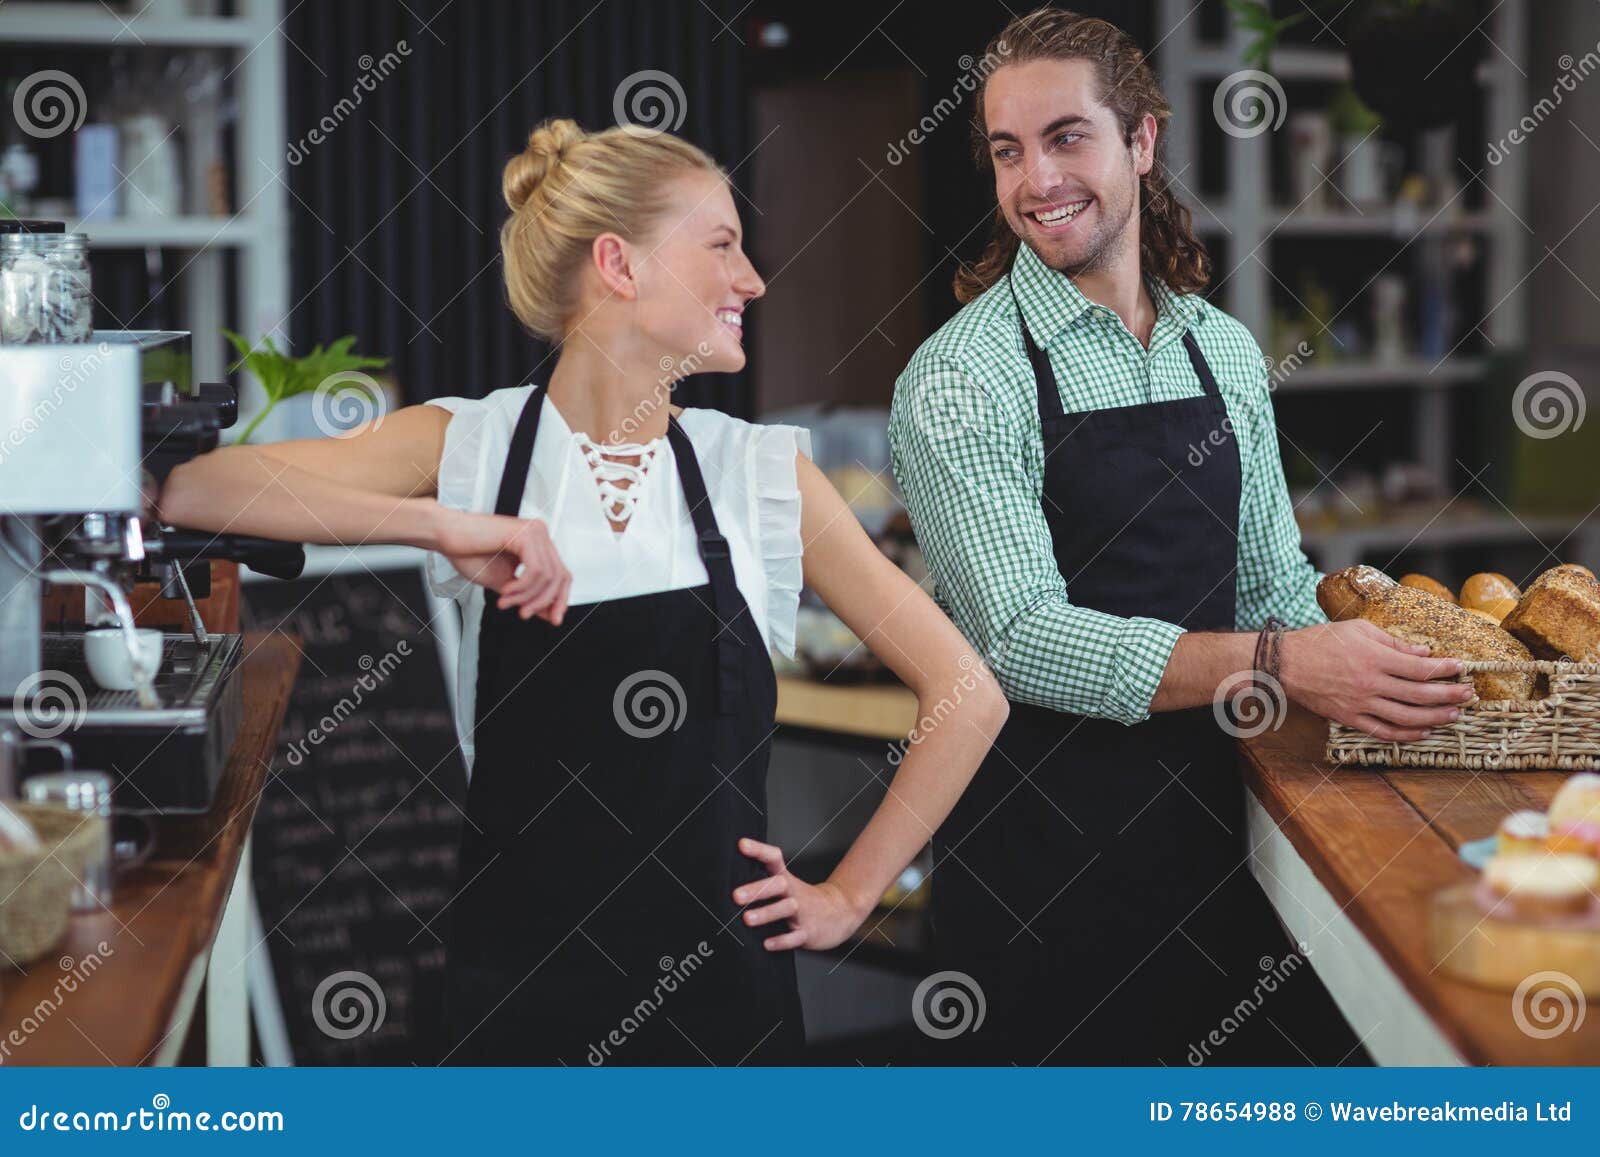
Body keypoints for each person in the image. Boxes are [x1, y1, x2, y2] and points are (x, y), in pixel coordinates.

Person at [161, 118, 1008, 1065]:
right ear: (619, 263)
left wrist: (850, 893)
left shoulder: (757, 475)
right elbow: (196, 488)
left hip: (721, 1009)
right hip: (517, 994)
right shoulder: (474, 447)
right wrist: (439, 522)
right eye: (723, 246)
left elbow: (967, 693)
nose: (753, 280)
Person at [887, 9, 1471, 1064]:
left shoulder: (1224, 350)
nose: (1034, 179)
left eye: (1067, 137)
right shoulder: (959, 377)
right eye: (1007, 150)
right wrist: (1282, 660)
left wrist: (1367, 674)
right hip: (1043, 857)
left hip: (1217, 828)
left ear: (1141, 142)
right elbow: (1020, 637)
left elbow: (1269, 579)